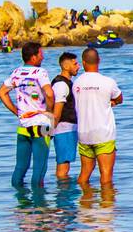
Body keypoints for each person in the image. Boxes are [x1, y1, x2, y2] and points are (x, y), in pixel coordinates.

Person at [0, 41, 56, 187]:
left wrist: (17, 112)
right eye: (41, 54)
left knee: (20, 167)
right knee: (39, 168)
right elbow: (49, 93)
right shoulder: (40, 72)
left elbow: (1, 92)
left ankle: (21, 205)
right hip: (41, 125)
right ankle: (40, 206)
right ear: (33, 57)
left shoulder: (16, 72)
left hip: (23, 125)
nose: (43, 57)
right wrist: (49, 112)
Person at [73, 46, 123, 187]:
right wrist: (111, 102)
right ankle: (107, 207)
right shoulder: (108, 82)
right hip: (103, 134)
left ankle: (85, 204)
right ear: (99, 61)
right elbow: (120, 98)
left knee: (84, 174)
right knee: (106, 176)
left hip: (84, 134)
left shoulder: (77, 83)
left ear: (83, 63)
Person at [51, 51, 81, 180]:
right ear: (66, 66)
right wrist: (49, 132)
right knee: (63, 164)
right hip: (64, 128)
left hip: (67, 128)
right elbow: (57, 110)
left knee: (65, 161)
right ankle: (63, 195)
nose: (78, 66)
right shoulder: (61, 84)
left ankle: (64, 193)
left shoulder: (65, 83)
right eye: (75, 64)